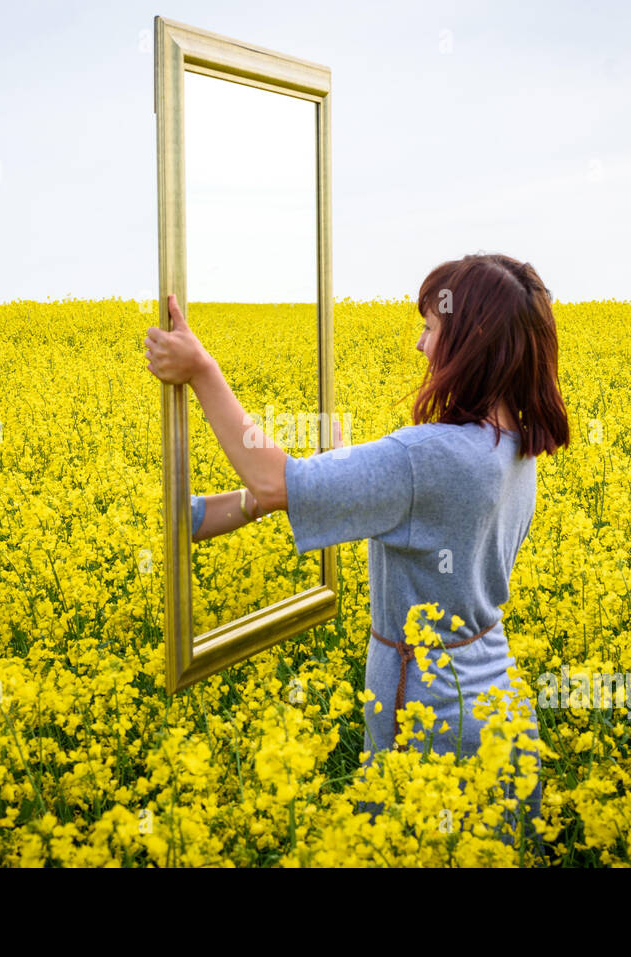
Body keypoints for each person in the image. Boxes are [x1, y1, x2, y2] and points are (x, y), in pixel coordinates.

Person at [144, 253, 570, 851]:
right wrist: (199, 515)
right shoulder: (514, 448)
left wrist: (201, 370)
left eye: (430, 328)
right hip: (498, 713)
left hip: (432, 721)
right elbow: (321, 495)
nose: (421, 346)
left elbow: (273, 481)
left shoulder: (427, 458)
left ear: (469, 344)